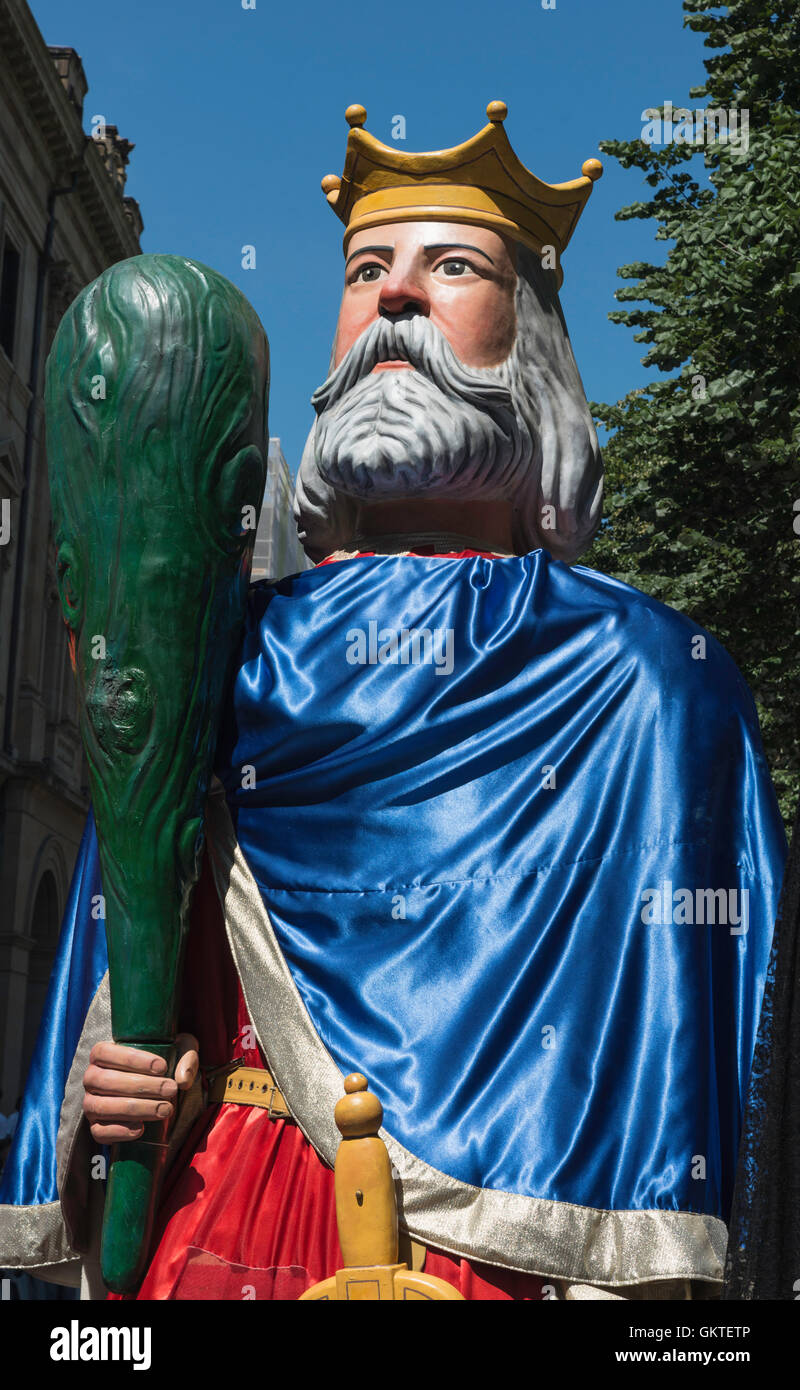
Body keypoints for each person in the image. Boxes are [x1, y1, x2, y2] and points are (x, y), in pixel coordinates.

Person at [0, 101, 787, 1300]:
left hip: (515, 1270)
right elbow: (147, 1001)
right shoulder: (216, 663)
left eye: (451, 267)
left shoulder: (647, 678)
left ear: (530, 343)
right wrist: (129, 1083)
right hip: (232, 1227)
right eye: (367, 270)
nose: (395, 299)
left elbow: (699, 1073)